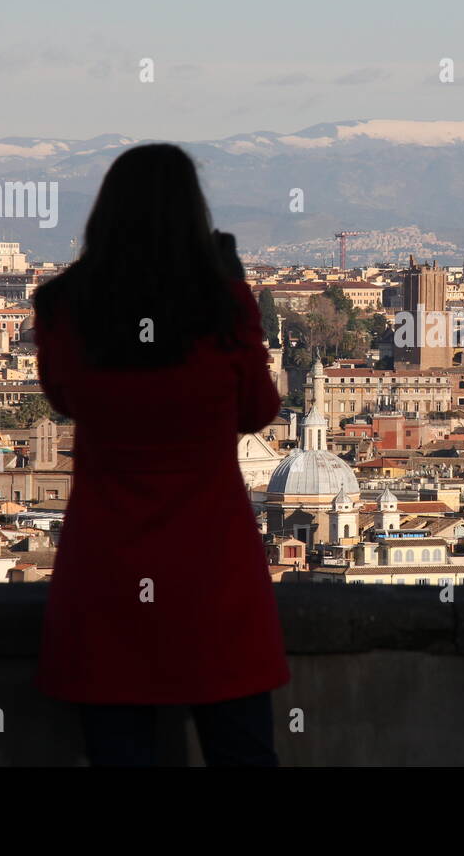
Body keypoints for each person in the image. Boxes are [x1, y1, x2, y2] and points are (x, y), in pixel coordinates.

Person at [32, 143, 288, 766]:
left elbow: (64, 398)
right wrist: (235, 290)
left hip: (108, 569)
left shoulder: (63, 307)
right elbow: (258, 411)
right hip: (213, 572)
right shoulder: (222, 310)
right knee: (243, 753)